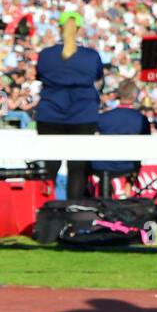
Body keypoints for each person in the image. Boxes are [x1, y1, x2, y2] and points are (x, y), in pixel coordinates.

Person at [36, 11, 103, 200]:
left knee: (49, 167)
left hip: (50, 114)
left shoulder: (46, 55)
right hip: (82, 115)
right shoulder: (91, 56)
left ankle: (45, 210)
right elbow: (98, 78)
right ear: (79, 29)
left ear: (59, 28)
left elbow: (39, 75)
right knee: (78, 168)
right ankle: (74, 211)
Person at [91, 79, 151, 196]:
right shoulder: (141, 119)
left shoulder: (104, 117)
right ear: (134, 95)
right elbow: (146, 143)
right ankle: (127, 190)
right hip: (128, 164)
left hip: (102, 163)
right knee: (137, 158)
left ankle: (106, 191)